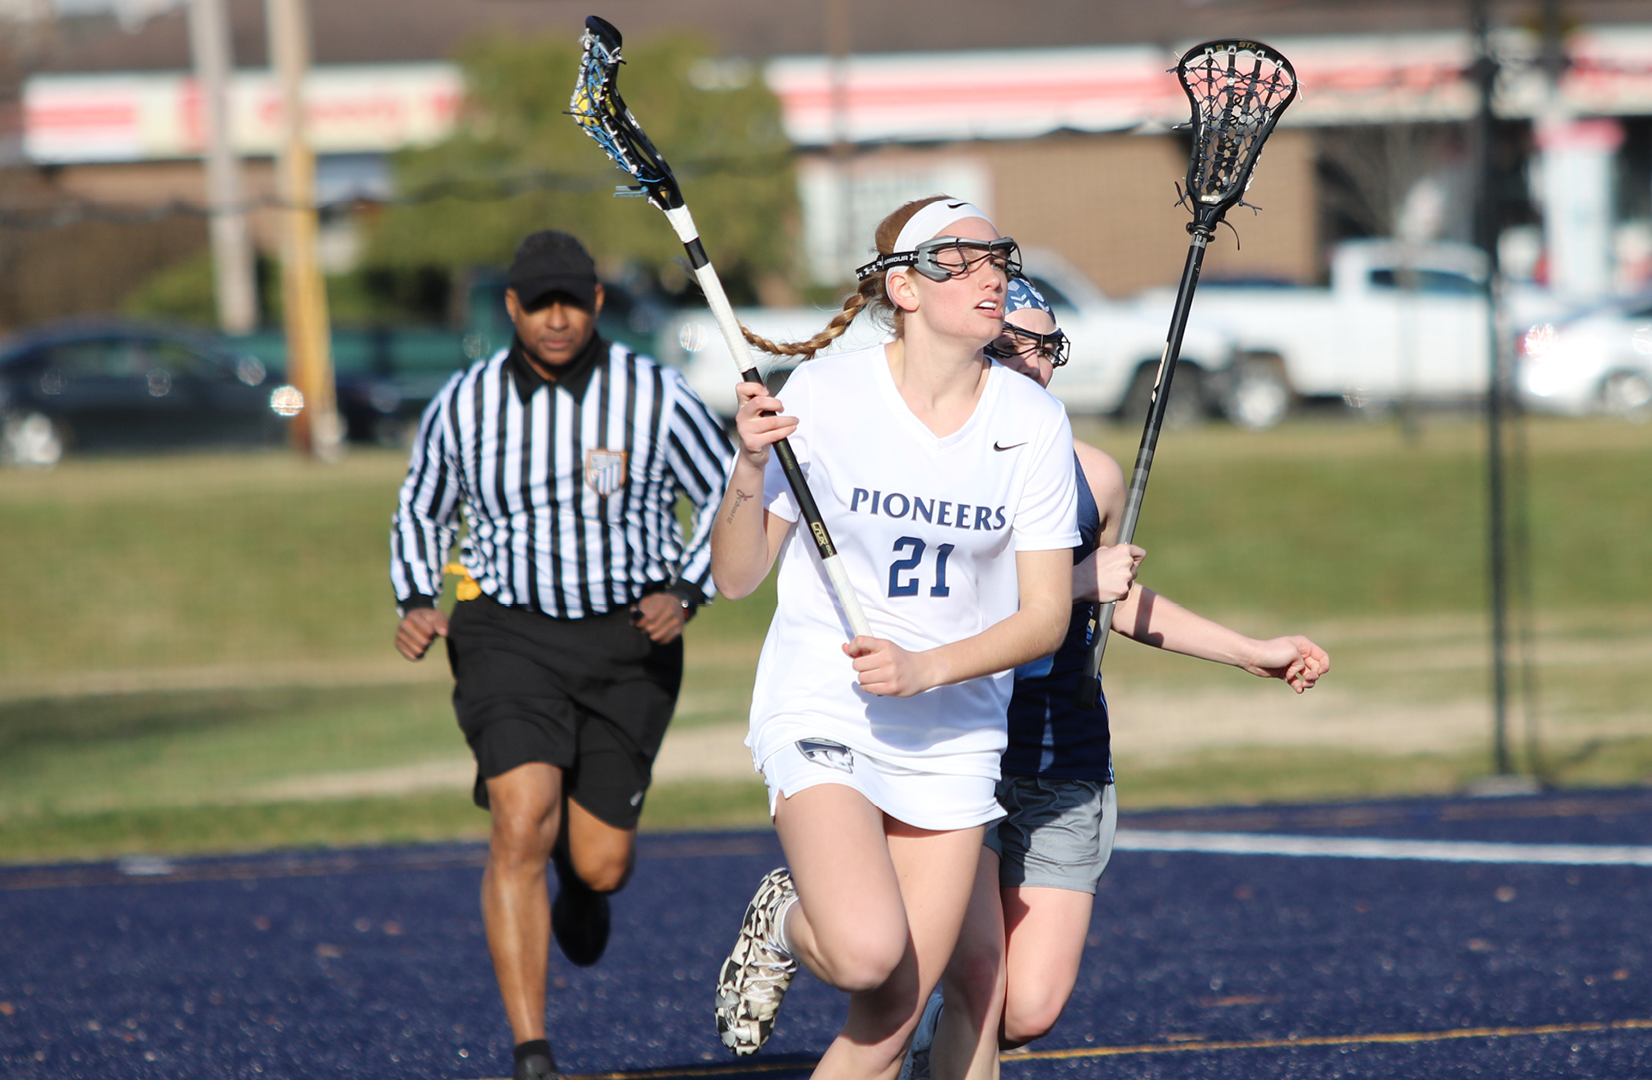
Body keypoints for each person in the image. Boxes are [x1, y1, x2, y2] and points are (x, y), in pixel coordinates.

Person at [915, 278, 1332, 1080]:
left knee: (1027, 1008)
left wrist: (1251, 651)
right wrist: (1074, 583)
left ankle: (923, 1050)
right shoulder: (938, 471)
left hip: (1063, 752)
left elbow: (1119, 595)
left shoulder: (1092, 475)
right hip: (960, 747)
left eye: (1046, 347)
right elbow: (945, 608)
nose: (1031, 365)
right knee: (974, 977)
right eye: (1009, 346)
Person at [706, 196, 1080, 1079]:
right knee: (869, 952)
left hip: (952, 728)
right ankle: (793, 921)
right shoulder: (831, 394)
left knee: (891, 1008)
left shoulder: (1031, 422)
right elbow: (736, 575)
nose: (991, 274)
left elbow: (1045, 616)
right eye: (961, 260)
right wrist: (749, 470)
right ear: (904, 287)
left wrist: (927, 668)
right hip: (828, 701)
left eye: (1000, 258)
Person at [389, 230, 734, 1080]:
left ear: (598, 304)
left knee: (600, 861)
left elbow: (732, 492)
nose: (555, 318)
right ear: (510, 307)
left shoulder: (653, 394)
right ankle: (532, 1050)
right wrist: (416, 599)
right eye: (539, 302)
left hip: (628, 641)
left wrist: (686, 590)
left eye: (571, 301)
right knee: (519, 823)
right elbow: (423, 508)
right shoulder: (464, 403)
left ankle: (583, 888)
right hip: (506, 632)